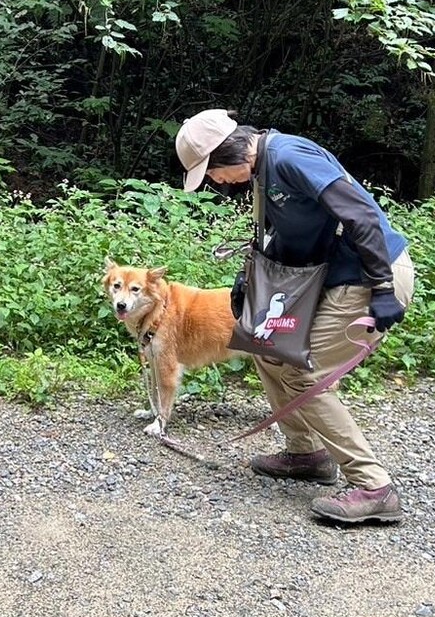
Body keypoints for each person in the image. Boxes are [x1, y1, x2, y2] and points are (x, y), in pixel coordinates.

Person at [174, 109, 415, 525]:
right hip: (333, 279)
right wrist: (246, 281)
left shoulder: (289, 157)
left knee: (307, 372)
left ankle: (375, 487)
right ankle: (307, 455)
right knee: (268, 348)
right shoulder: (265, 171)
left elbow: (359, 214)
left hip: (367, 276)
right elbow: (287, 236)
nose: (215, 183)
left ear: (227, 154)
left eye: (211, 173)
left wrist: (381, 288)